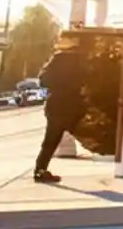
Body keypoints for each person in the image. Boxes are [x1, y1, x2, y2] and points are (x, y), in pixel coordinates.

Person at [34, 35, 87, 183]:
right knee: (53, 139)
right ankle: (40, 170)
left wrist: (59, 85)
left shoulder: (59, 58)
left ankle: (40, 170)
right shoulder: (85, 60)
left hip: (57, 105)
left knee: (51, 140)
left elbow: (43, 80)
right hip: (76, 106)